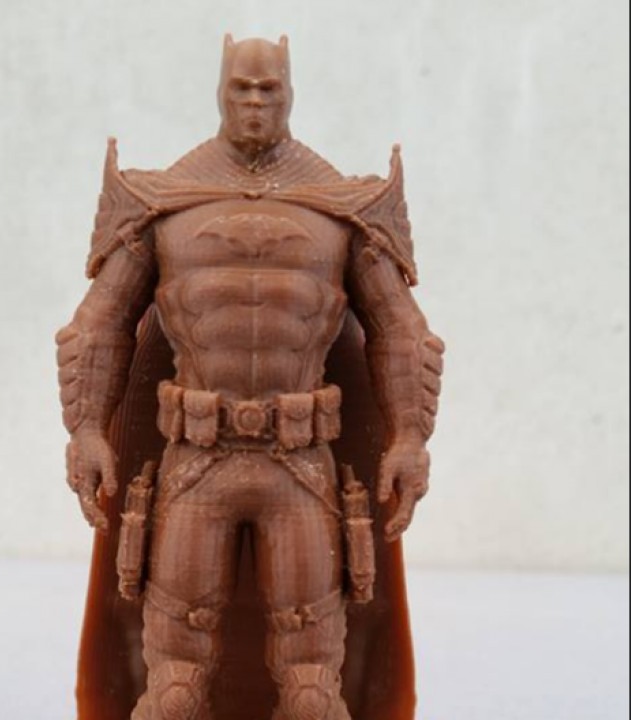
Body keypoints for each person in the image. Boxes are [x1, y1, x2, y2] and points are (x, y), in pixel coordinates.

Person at [56, 35, 444, 720]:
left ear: (290, 93)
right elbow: (100, 322)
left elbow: (400, 329)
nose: (256, 102)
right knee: (174, 685)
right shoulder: (161, 203)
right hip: (193, 464)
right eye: (242, 87)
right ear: (220, 91)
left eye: (269, 89)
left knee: (312, 686)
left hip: (302, 466)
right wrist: (86, 429)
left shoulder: (342, 207)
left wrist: (411, 437)